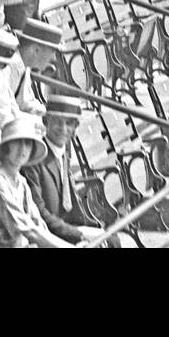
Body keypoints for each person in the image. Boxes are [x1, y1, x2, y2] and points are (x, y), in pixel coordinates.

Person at [22, 94, 117, 246]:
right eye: (57, 122)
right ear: (46, 122)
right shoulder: (34, 160)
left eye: (69, 123)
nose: (63, 129)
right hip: (48, 236)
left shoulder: (63, 152)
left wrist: (88, 230)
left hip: (66, 228)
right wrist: (80, 235)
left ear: (75, 128)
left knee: (111, 240)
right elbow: (39, 214)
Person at [0, 113, 73, 248]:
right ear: (6, 147)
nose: (23, 149)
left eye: (28, 144)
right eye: (17, 143)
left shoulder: (20, 181)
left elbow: (38, 224)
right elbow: (28, 231)